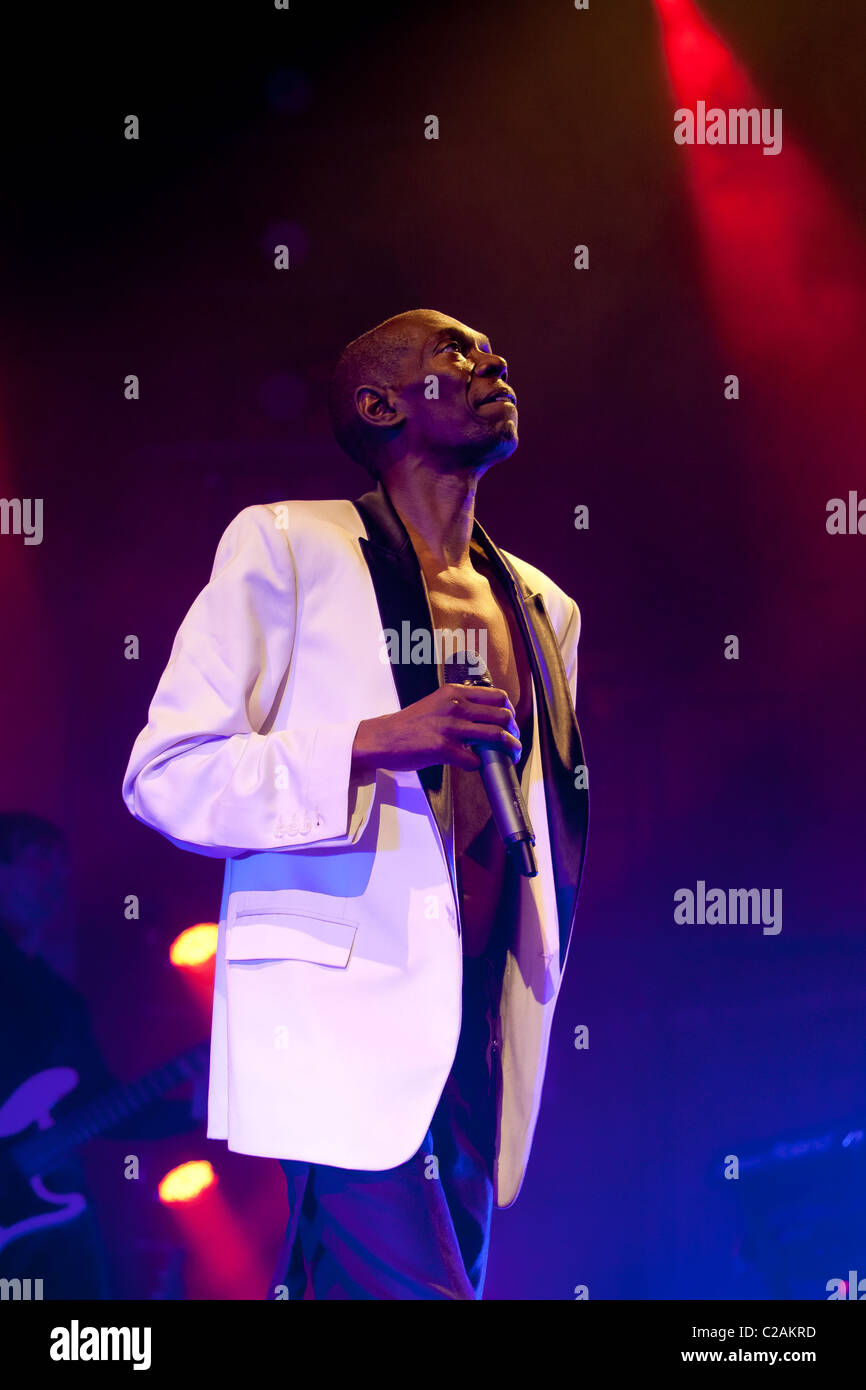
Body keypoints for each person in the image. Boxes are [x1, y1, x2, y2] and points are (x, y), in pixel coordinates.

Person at [122, 309, 589, 1299]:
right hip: (334, 1019)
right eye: (452, 353)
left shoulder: (544, 607)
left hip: (479, 1023)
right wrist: (375, 741)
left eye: (491, 347)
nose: (491, 359)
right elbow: (165, 772)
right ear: (381, 403)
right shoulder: (289, 547)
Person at [0, 812, 200, 1299]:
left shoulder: (55, 996)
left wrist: (197, 1110)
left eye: (61, 866)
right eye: (38, 863)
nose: (57, 879)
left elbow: (98, 1106)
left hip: (39, 1222)